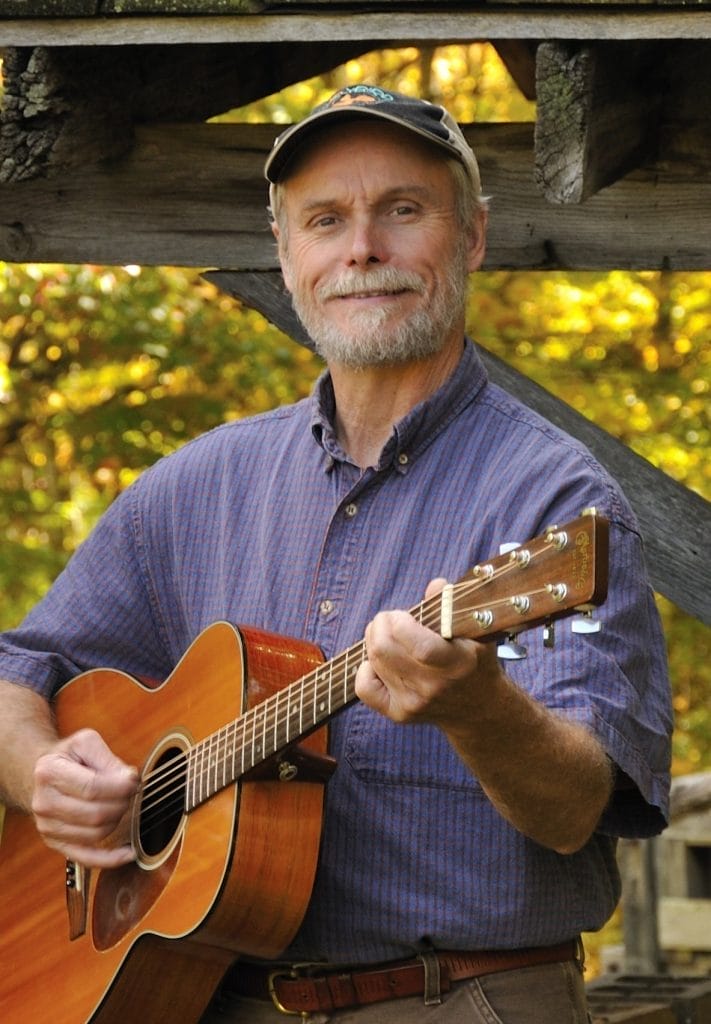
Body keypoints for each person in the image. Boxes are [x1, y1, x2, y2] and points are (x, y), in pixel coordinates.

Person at [0, 85, 672, 1023]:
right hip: (198, 993)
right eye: (325, 220)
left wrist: (479, 709)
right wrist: (42, 774)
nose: (361, 249)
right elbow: (17, 670)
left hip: (457, 999)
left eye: (402, 210)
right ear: (285, 255)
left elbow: (573, 812)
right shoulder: (198, 486)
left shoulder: (555, 502)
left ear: (472, 237)